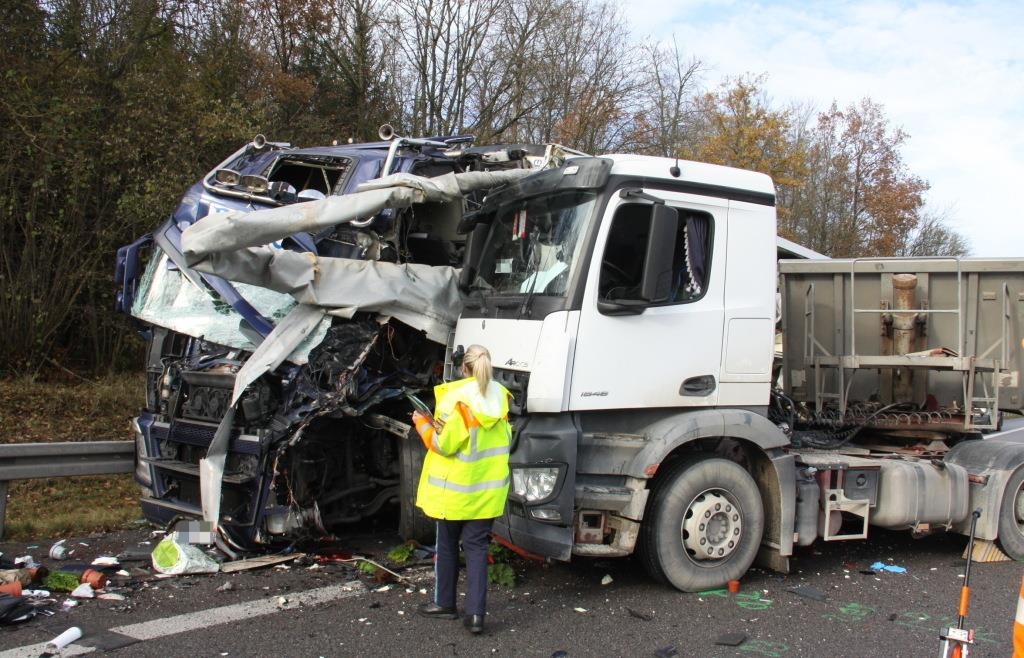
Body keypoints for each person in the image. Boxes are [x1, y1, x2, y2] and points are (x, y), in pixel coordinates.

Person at [412, 344, 512, 635]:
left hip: (454, 494)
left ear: (463, 368)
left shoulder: (456, 400)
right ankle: (476, 616)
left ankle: (445, 604)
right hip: (488, 492)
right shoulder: (501, 399)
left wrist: (422, 424)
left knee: (446, 547)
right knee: (477, 549)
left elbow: (443, 444)